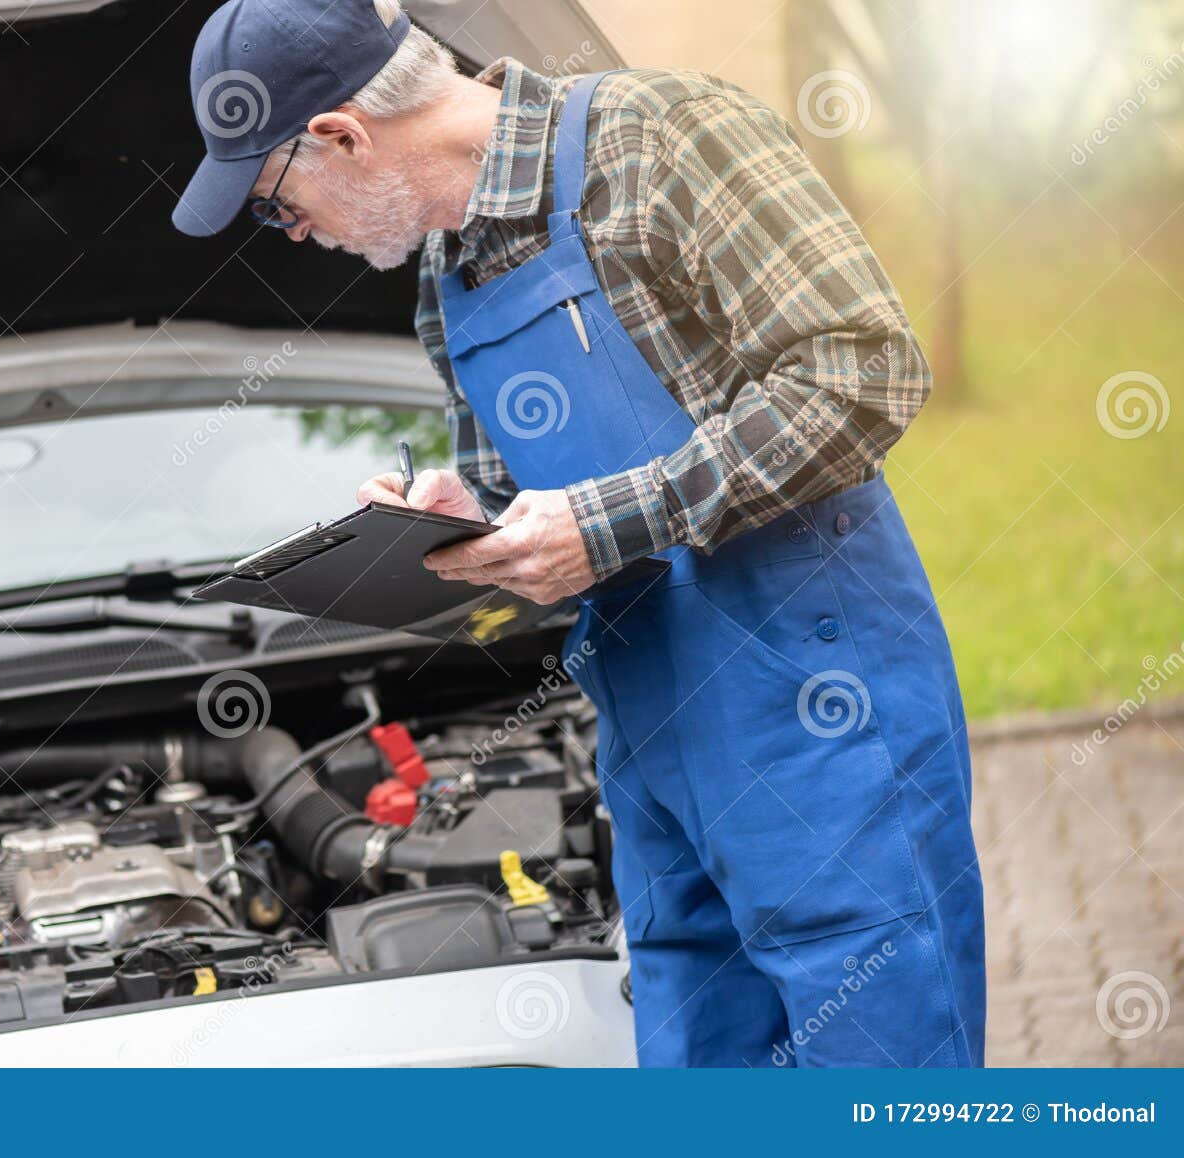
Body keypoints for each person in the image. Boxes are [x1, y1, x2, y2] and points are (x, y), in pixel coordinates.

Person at [173, 0, 985, 1067]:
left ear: (340, 136)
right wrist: (463, 524)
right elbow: (527, 499)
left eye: (279, 207)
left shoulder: (661, 138)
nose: (297, 237)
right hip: (651, 745)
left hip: (820, 719)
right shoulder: (443, 277)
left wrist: (605, 525)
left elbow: (862, 371)